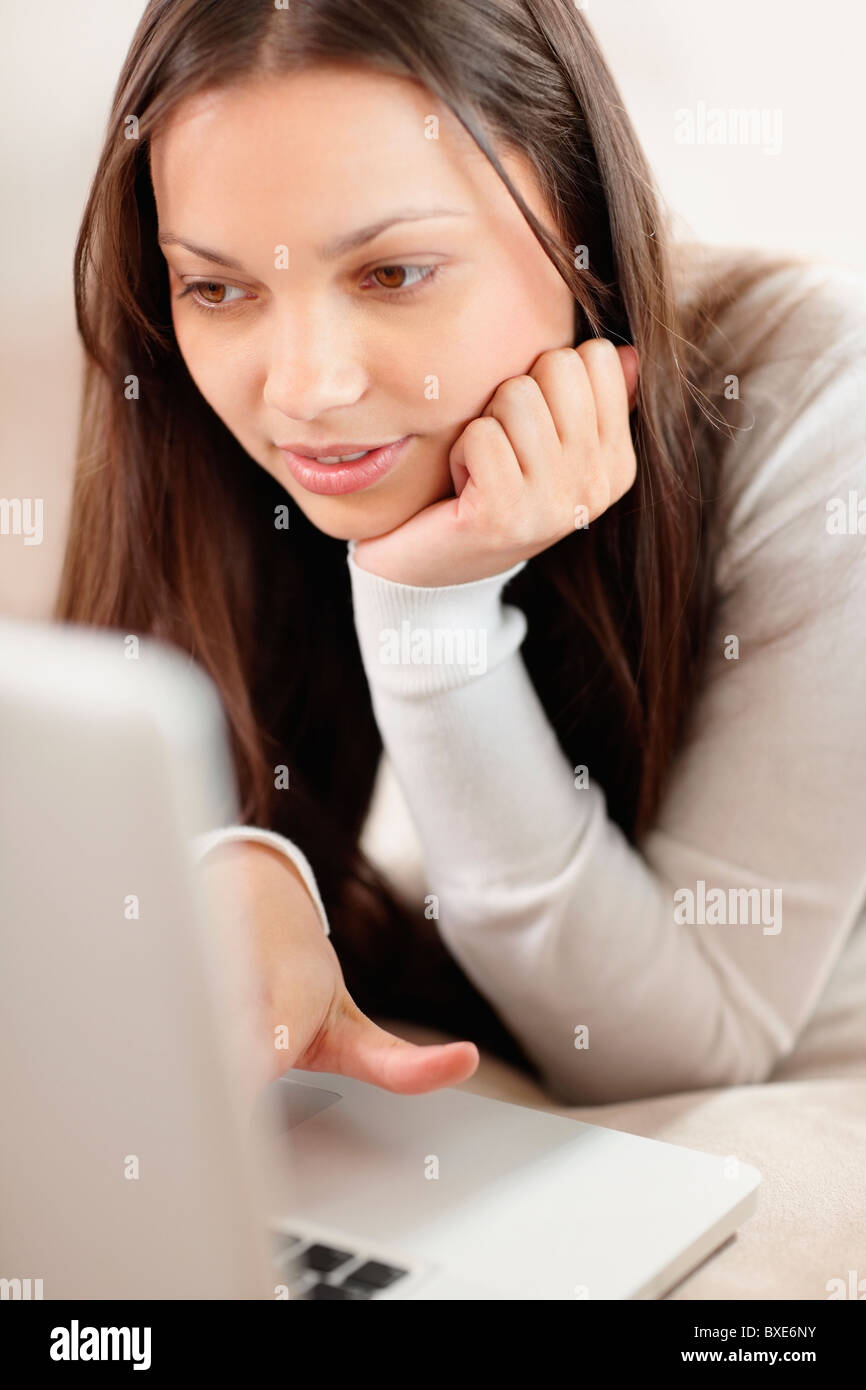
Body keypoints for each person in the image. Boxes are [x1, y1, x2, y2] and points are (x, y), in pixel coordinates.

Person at [57, 0, 866, 1105]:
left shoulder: (818, 396)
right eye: (218, 286)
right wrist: (237, 864)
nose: (303, 388)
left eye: (392, 273)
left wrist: (429, 619)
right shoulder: (187, 428)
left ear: (580, 220)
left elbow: (677, 1051)